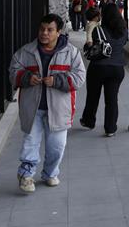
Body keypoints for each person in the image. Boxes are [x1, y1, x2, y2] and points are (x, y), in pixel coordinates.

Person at [9, 14, 85, 193]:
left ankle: (50, 173)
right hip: (32, 108)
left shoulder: (71, 53)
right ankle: (26, 175)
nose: (44, 33)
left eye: (50, 30)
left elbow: (80, 77)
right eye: (42, 29)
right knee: (31, 142)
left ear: (59, 32)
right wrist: (26, 77)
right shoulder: (26, 51)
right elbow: (13, 71)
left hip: (59, 110)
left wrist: (58, 81)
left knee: (57, 147)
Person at [80, 3, 128, 137]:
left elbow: (91, 47)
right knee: (112, 99)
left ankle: (89, 121)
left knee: (93, 96)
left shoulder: (98, 30)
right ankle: (110, 128)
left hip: (98, 67)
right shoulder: (123, 30)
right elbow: (122, 44)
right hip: (117, 69)